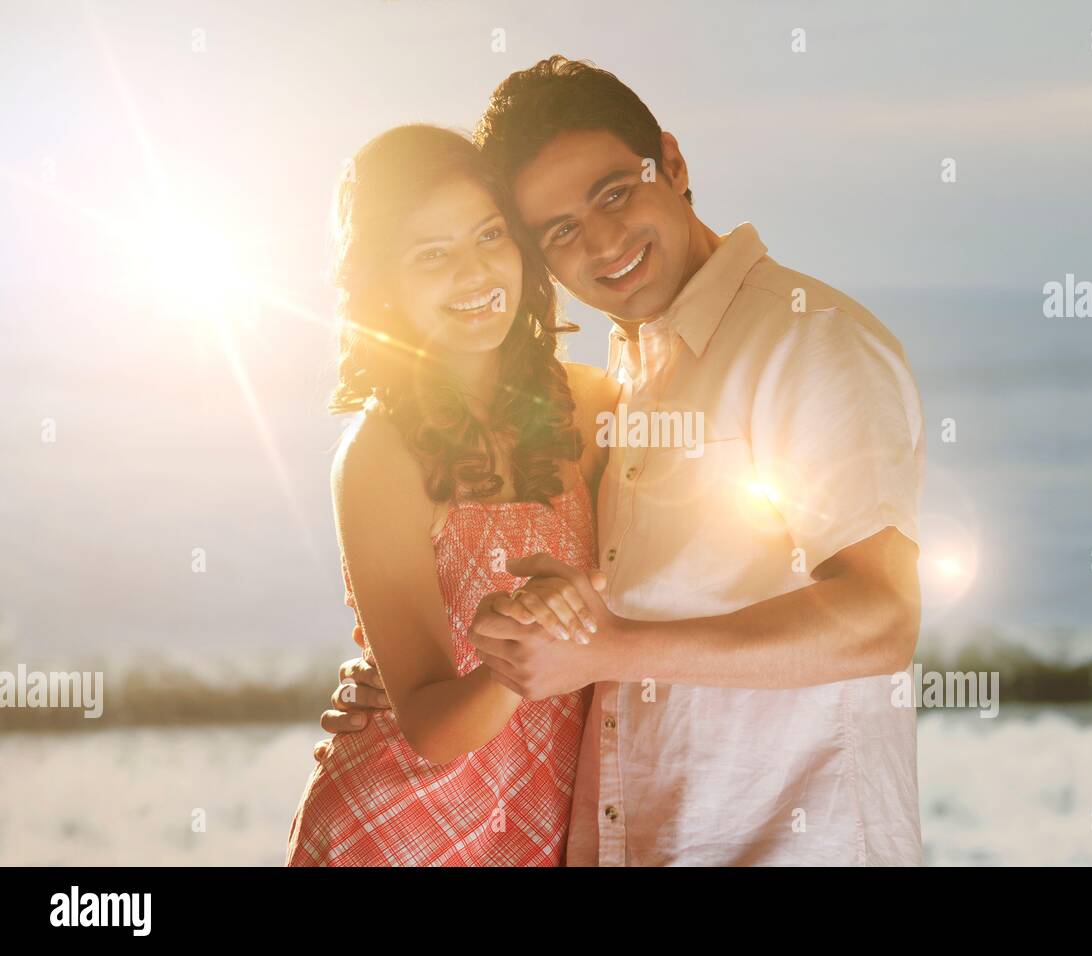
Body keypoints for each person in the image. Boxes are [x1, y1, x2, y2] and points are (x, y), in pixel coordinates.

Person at [321, 56, 927, 866]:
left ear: (673, 166)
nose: (603, 243)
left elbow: (882, 620)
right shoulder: (620, 386)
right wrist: (421, 681)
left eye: (614, 193)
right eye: (560, 231)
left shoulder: (807, 340)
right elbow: (476, 640)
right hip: (594, 838)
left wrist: (596, 651)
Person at [286, 124, 616, 866]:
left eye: (489, 235)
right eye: (431, 255)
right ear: (384, 288)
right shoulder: (380, 456)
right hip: (403, 829)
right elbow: (431, 724)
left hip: (553, 817)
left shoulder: (594, 408)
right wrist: (518, 656)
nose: (474, 274)